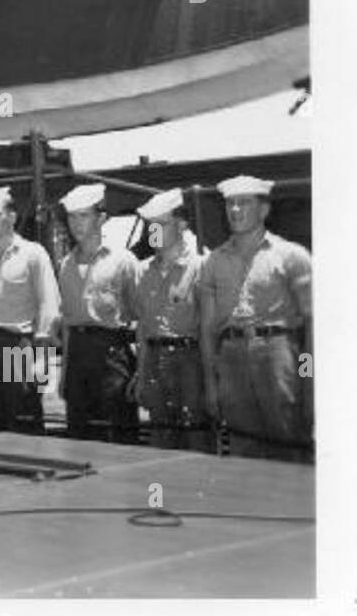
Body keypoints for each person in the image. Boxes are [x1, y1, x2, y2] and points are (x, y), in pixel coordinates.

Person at [198, 175, 312, 461]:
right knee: (242, 445)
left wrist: (307, 379)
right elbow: (208, 329)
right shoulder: (213, 262)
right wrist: (211, 386)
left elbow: (313, 326)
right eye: (230, 205)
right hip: (232, 357)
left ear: (264, 210)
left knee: (287, 439)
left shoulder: (291, 256)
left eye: (244, 203)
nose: (235, 211)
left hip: (278, 354)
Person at [0, 187, 60, 433]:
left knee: (25, 421)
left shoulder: (34, 254)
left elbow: (49, 306)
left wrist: (43, 361)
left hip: (21, 345)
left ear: (12, 217)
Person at [56, 182, 142, 443]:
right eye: (72, 216)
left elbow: (142, 318)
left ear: (101, 219)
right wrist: (64, 375)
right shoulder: (65, 266)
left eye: (84, 215)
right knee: (79, 435)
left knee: (116, 433)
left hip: (112, 356)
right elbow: (69, 326)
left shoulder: (123, 261)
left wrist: (141, 371)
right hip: (77, 360)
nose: (76, 223)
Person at [131, 189, 212, 451]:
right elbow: (142, 329)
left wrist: (211, 381)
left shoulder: (201, 267)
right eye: (150, 226)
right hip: (155, 360)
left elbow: (209, 329)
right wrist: (142, 375)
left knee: (195, 436)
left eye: (161, 224)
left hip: (190, 360)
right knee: (161, 438)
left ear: (182, 224)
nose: (154, 232)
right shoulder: (143, 272)